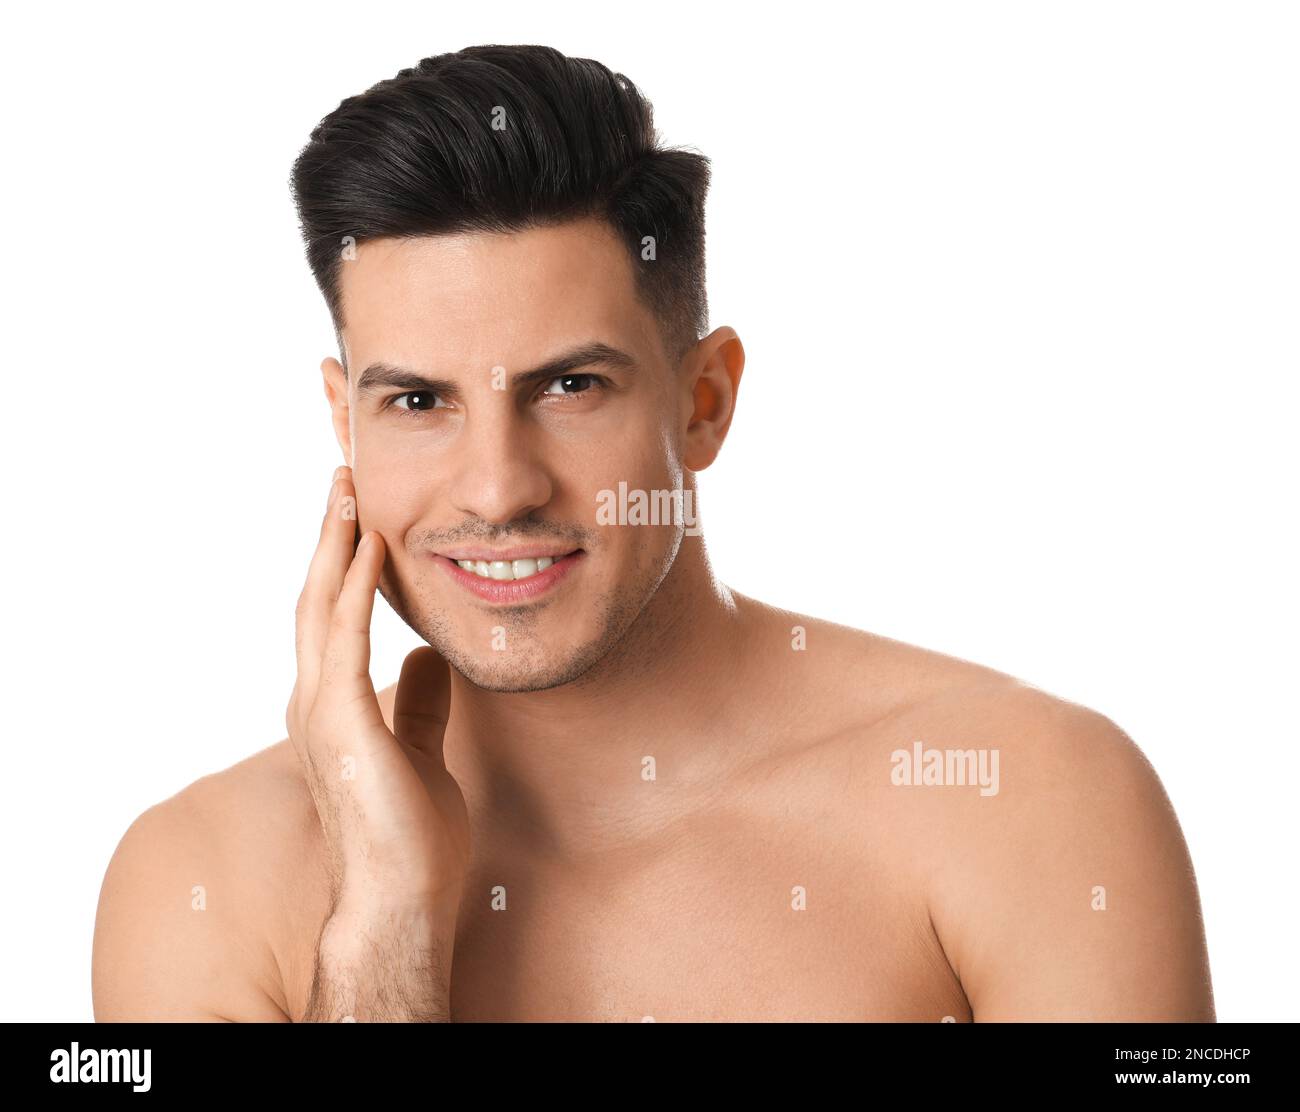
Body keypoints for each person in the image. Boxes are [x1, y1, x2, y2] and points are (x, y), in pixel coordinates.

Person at [91, 44, 1214, 1022]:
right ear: (344, 419)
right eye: (419, 402)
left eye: (569, 384)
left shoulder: (1029, 799)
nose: (495, 487)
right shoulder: (199, 879)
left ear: (704, 400)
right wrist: (383, 932)